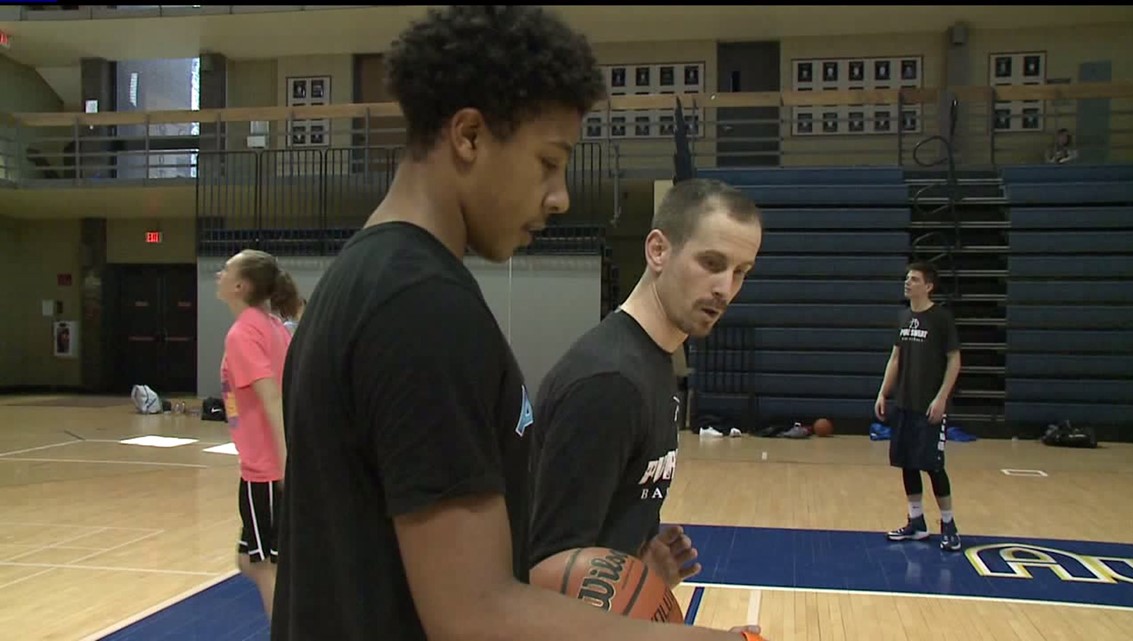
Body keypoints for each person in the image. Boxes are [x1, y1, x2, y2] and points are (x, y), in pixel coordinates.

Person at [272, 6, 764, 641]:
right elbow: (476, 613)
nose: (559, 195)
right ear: (469, 137)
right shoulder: (422, 309)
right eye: (548, 162)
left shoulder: (363, 279)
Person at [529, 178, 763, 589]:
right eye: (712, 263)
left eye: (740, 272)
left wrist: (642, 562)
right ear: (658, 251)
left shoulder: (652, 363)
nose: (725, 288)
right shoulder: (610, 383)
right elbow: (547, 577)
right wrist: (642, 582)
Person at [214, 249, 297, 617]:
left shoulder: (244, 333)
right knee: (248, 560)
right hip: (265, 465)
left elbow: (272, 397)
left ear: (239, 285)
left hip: (266, 471)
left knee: (265, 567)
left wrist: (284, 463)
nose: (219, 273)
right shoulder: (274, 327)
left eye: (226, 269)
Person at [874, 261, 962, 552]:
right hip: (905, 403)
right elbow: (895, 359)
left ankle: (948, 524)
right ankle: (916, 522)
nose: (907, 283)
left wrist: (941, 398)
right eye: (907, 278)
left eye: (914, 279)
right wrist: (883, 393)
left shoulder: (941, 319)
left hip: (930, 406)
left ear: (928, 286)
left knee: (933, 466)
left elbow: (954, 360)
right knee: (906, 462)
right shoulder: (904, 317)